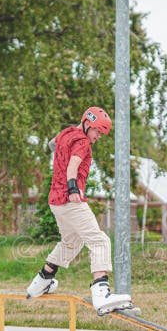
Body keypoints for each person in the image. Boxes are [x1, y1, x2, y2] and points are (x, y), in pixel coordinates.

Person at [26, 106, 134, 315]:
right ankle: (101, 292)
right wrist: (73, 186)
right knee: (99, 240)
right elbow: (73, 164)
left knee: (71, 242)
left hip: (56, 201)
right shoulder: (83, 142)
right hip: (71, 199)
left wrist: (59, 152)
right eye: (97, 132)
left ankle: (42, 280)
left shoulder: (66, 133)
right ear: (87, 124)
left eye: (101, 134)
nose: (97, 137)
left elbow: (52, 144)